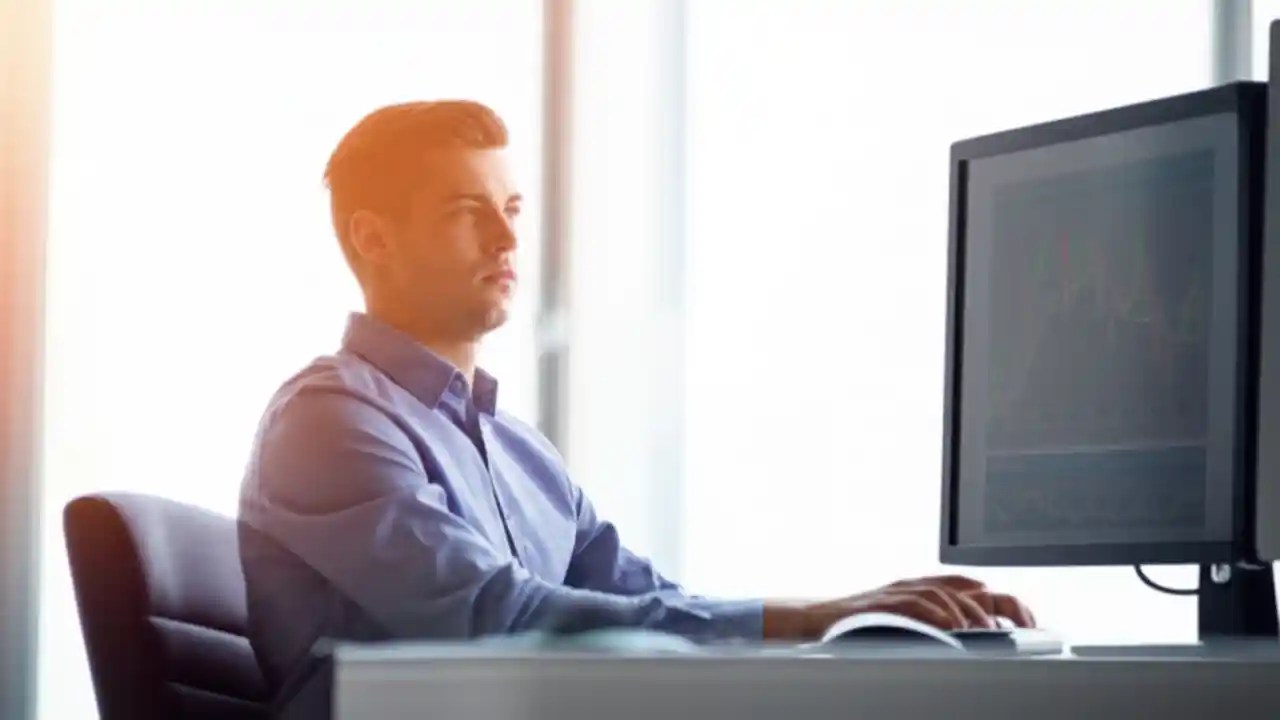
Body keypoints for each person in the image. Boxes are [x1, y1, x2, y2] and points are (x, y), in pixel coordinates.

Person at [238, 99, 1036, 697]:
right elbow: (499, 619)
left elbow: (648, 599)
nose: (508, 240)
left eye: (511, 209)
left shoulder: (518, 450)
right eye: (464, 212)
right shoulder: (329, 422)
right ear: (372, 239)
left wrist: (852, 613)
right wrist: (809, 617)